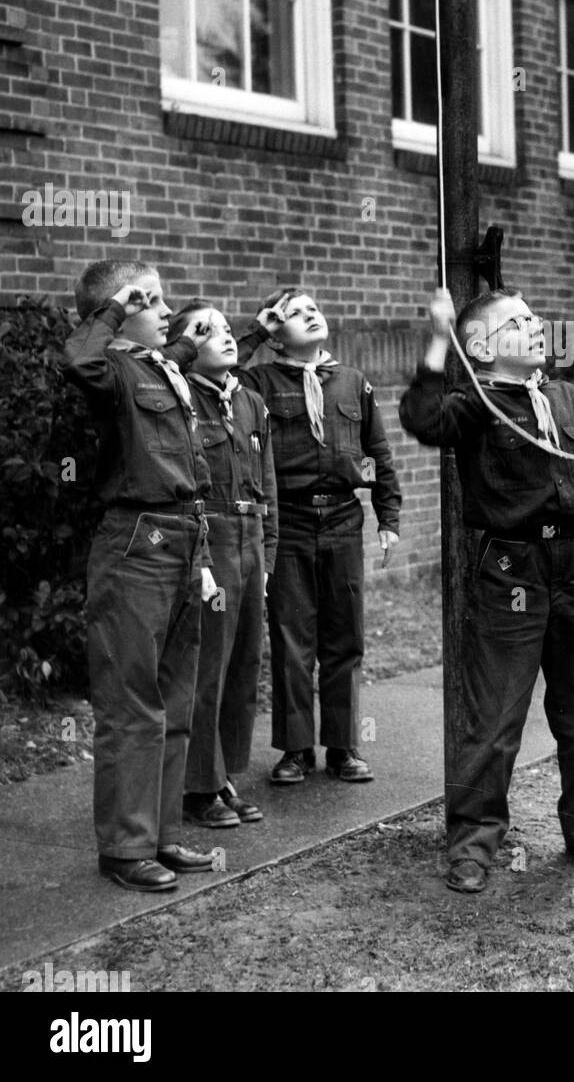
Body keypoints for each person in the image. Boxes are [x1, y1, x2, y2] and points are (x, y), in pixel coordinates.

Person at [399, 287, 574, 894]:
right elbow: (423, 419)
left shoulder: (563, 395)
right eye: (518, 322)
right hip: (510, 571)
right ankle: (475, 842)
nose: (537, 326)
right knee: (496, 718)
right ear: (482, 347)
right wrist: (437, 339)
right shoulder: (475, 401)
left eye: (535, 317)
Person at [63, 260, 217, 892]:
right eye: (145, 299)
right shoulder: (112, 371)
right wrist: (113, 309)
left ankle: (160, 834)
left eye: (160, 296)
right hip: (137, 542)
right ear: (118, 313)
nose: (162, 307)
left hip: (184, 538)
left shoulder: (162, 369)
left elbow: (184, 343)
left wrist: (203, 561)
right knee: (132, 702)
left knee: (175, 696)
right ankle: (125, 848)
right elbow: (79, 361)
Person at [237, 289, 401, 786]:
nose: (310, 315)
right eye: (294, 313)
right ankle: (295, 748)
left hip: (343, 520)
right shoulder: (258, 382)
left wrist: (387, 517)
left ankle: (343, 745)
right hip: (288, 522)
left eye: (314, 309)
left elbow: (378, 452)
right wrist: (258, 332)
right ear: (276, 334)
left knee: (344, 636)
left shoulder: (352, 382)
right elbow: (218, 375)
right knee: (291, 638)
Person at [171, 300, 278, 830]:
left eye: (227, 328)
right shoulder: (183, 397)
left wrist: (269, 555)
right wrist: (203, 559)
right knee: (208, 664)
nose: (225, 336)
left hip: (252, 537)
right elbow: (189, 488)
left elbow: (269, 483)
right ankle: (199, 786)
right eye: (205, 331)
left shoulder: (253, 403)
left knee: (243, 664)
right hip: (212, 538)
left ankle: (227, 774)